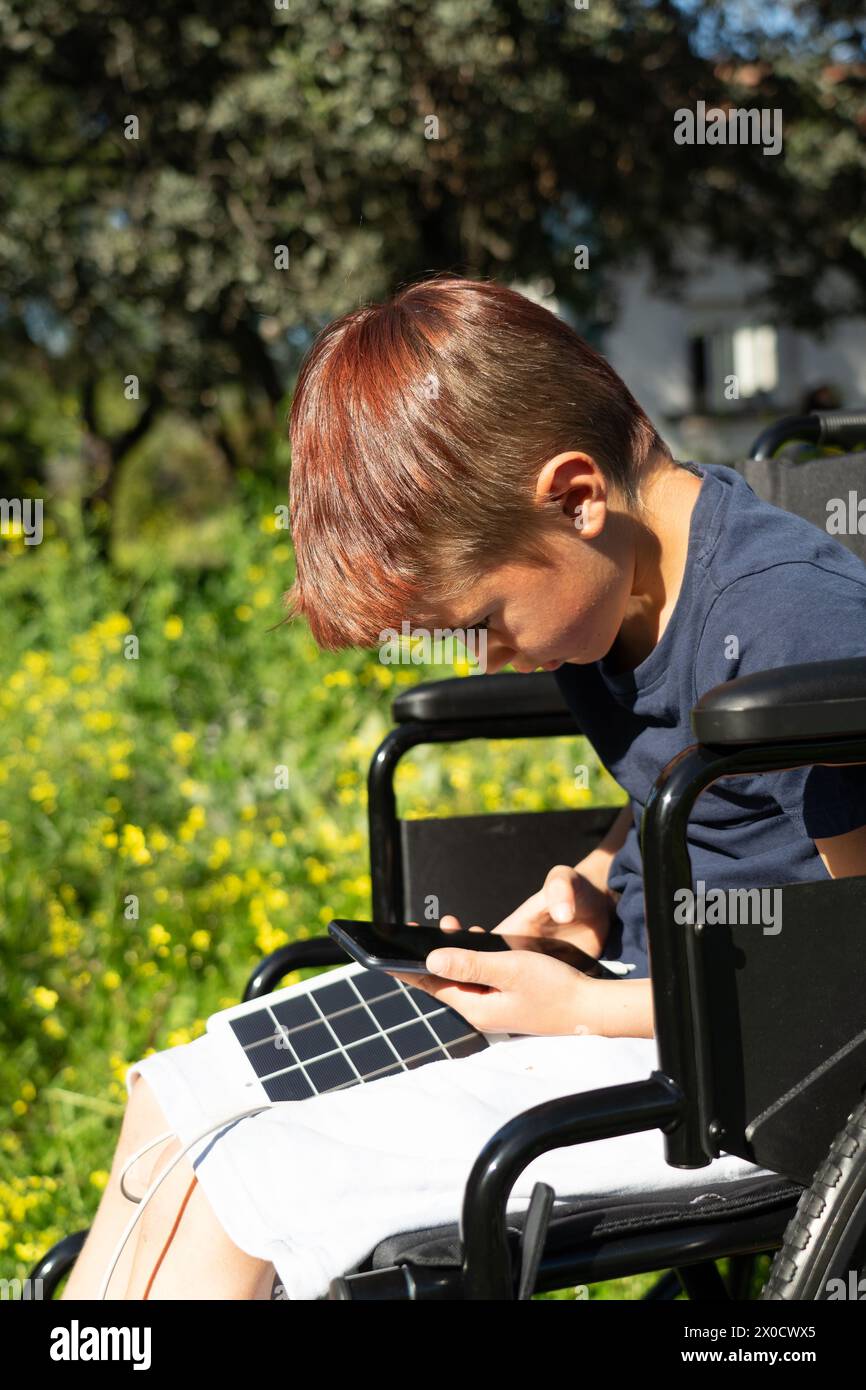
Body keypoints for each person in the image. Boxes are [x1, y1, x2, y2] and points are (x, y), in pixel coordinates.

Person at [61, 276, 866, 1300]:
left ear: (575, 497)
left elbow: (845, 990)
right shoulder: (613, 581)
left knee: (255, 1173)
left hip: (747, 1079)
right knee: (181, 1095)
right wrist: (592, 878)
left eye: (483, 619)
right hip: (633, 1001)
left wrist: (578, 1009)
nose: (482, 660)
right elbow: (699, 785)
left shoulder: (793, 622)